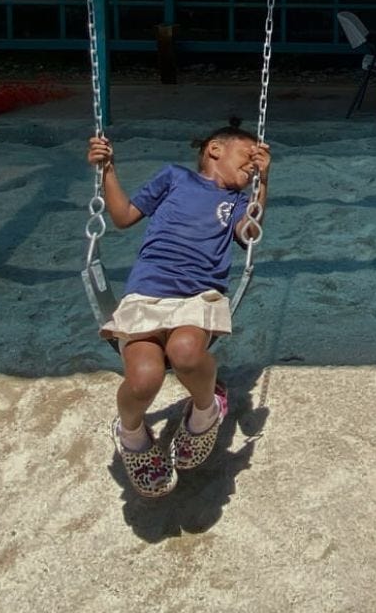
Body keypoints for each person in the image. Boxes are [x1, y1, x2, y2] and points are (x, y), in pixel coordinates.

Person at [85, 120, 269, 498]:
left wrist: (263, 183)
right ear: (214, 149)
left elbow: (249, 232)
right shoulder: (174, 178)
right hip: (146, 294)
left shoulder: (237, 202)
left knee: (185, 353)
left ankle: (205, 411)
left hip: (198, 297)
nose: (252, 165)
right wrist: (108, 169)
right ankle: (132, 433)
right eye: (247, 156)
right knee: (144, 379)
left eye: (257, 163)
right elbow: (122, 217)